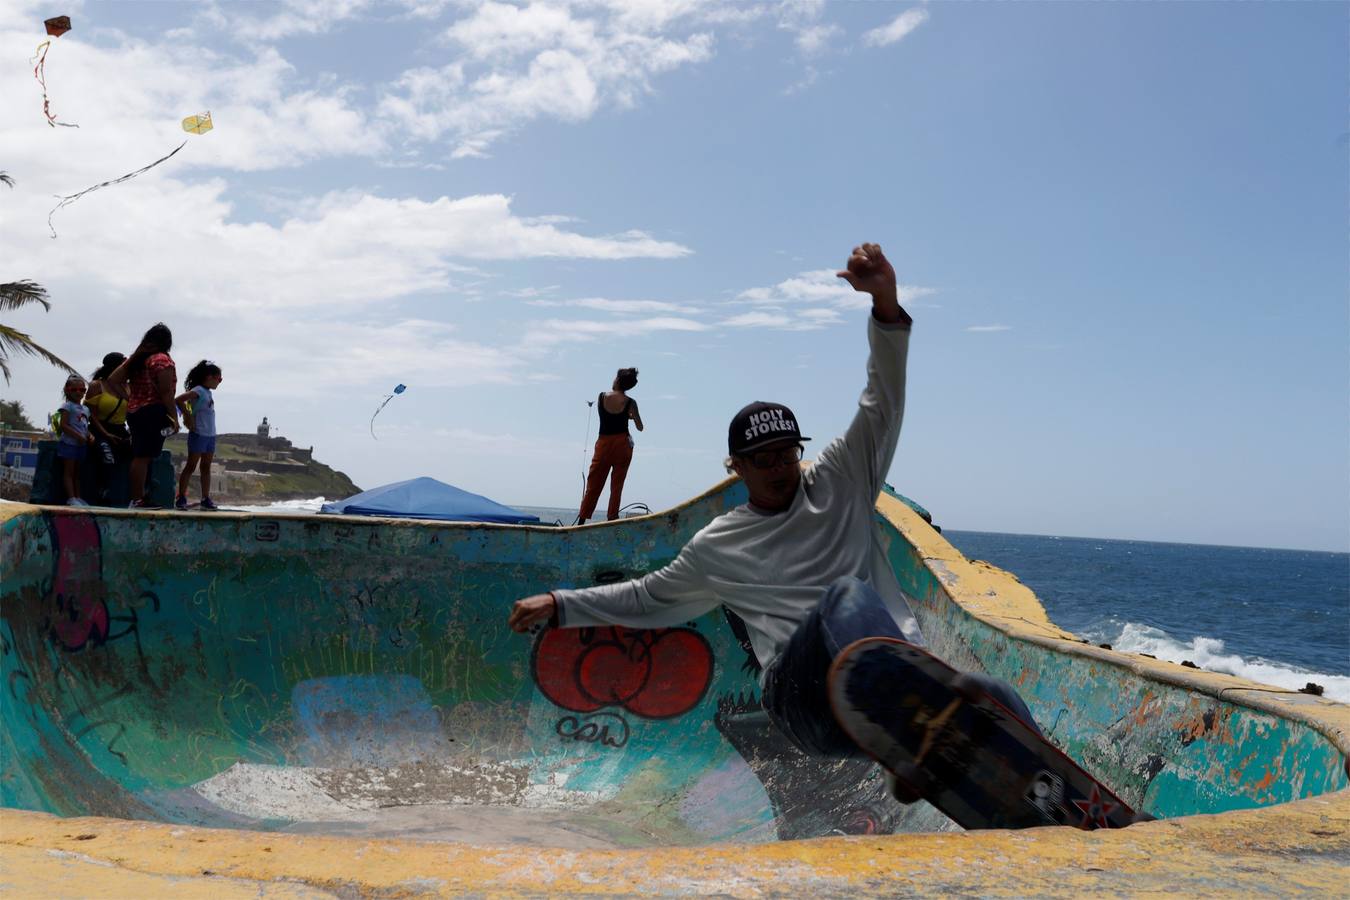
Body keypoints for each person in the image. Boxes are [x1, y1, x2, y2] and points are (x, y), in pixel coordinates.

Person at [509, 243, 1042, 806]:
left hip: (892, 696)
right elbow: (647, 599)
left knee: (994, 694)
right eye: (762, 460)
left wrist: (884, 301)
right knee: (845, 598)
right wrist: (560, 603)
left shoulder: (841, 479)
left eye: (787, 455)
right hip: (803, 702)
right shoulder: (719, 545)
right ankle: (907, 736)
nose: (779, 470)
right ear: (736, 468)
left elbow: (881, 400)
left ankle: (1049, 791)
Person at [107, 323, 178, 509]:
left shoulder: (137, 360)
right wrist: (174, 417)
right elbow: (166, 391)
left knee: (141, 456)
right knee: (143, 457)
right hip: (153, 411)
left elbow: (113, 380)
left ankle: (138, 498)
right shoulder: (162, 360)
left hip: (135, 413)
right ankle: (137, 500)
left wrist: (129, 398)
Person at [576, 367, 644, 524]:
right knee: (617, 485)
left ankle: (582, 520)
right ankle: (612, 519)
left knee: (594, 484)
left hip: (604, 443)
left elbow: (608, 415)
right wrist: (632, 417)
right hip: (622, 444)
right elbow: (640, 427)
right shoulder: (631, 403)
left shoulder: (601, 397)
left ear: (618, 380)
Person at [175, 360, 223, 510]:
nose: (219, 382)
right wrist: (187, 416)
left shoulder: (207, 392)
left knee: (206, 467)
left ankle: (205, 498)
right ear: (210, 377)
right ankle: (181, 497)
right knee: (190, 466)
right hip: (199, 433)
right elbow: (178, 399)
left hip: (210, 435)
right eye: (219, 379)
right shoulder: (199, 390)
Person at [84, 352, 131, 504]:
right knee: (107, 456)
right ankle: (100, 492)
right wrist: (105, 434)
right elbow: (91, 414)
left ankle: (134, 496)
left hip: (120, 429)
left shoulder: (128, 387)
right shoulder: (97, 385)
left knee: (135, 457)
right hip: (100, 428)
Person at [55, 374, 94, 506]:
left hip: (81, 445)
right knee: (69, 472)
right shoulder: (67, 406)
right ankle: (71, 498)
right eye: (74, 390)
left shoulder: (86, 409)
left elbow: (84, 426)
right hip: (69, 443)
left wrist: (89, 435)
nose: (78, 392)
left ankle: (78, 497)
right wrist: (78, 436)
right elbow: (64, 425)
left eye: (82, 390)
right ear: (67, 390)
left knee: (78, 473)